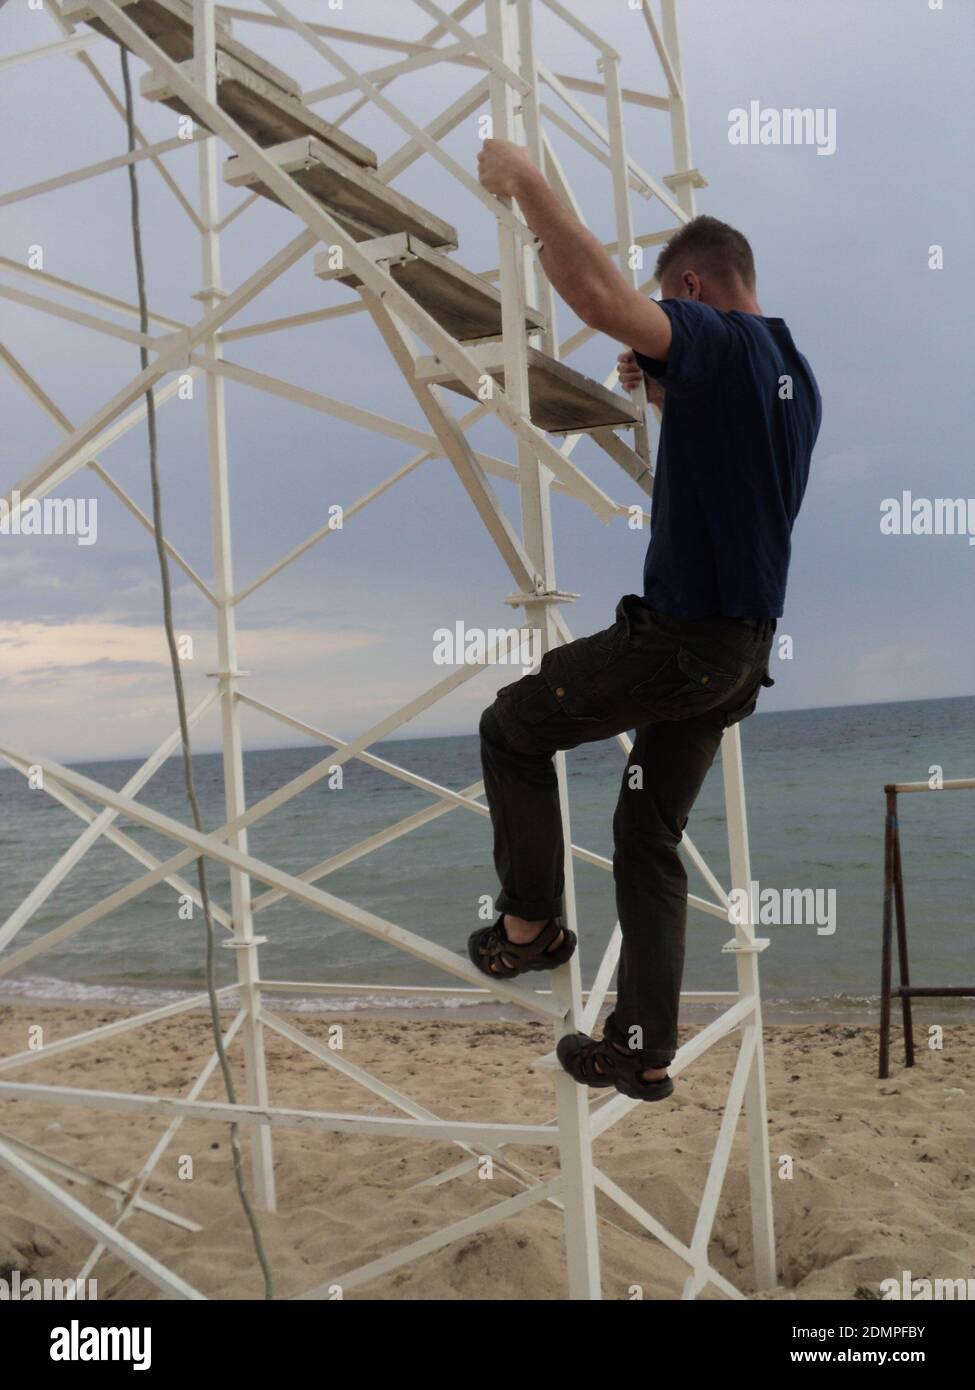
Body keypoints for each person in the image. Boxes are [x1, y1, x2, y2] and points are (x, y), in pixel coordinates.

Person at [468, 139, 821, 1102]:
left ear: (694, 287)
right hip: (740, 657)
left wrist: (528, 186)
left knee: (510, 727)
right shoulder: (789, 370)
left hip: (679, 641)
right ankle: (640, 1045)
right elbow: (720, 449)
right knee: (644, 830)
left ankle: (530, 926)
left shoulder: (726, 338)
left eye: (671, 308)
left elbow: (597, 301)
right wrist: (660, 385)